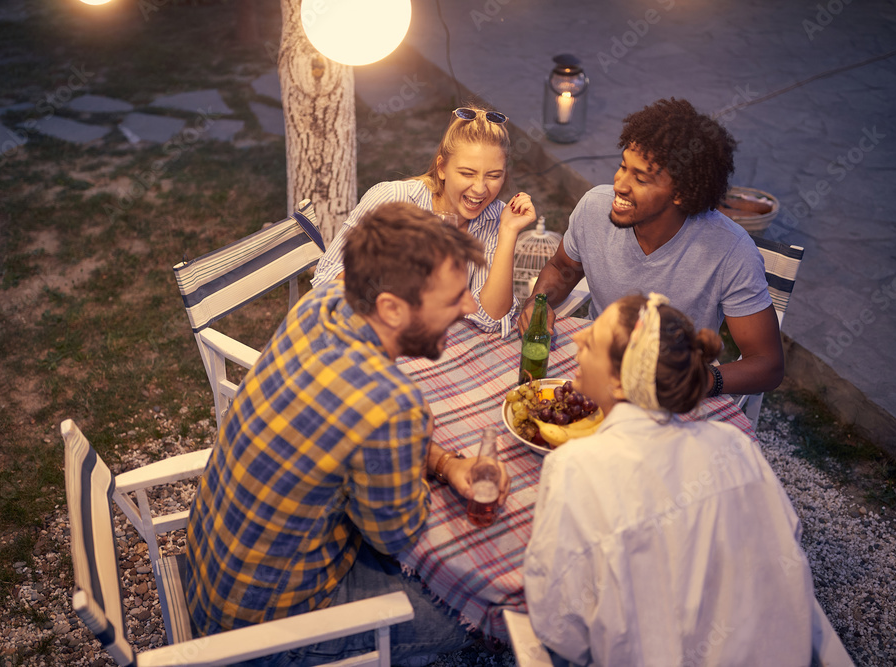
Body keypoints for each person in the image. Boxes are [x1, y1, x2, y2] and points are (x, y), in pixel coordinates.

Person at [186, 202, 510, 666]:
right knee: (471, 615)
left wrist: (442, 462)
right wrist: (420, 453)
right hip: (260, 633)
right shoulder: (393, 405)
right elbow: (393, 534)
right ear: (392, 309)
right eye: (453, 298)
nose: (469, 307)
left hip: (216, 575)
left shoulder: (322, 305)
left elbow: (354, 431)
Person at [524, 293, 818, 666]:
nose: (578, 339)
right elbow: (785, 550)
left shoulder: (575, 467)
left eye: (592, 339)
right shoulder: (735, 447)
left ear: (618, 384)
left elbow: (558, 627)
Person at [518, 98, 783, 398]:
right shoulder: (593, 208)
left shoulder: (731, 252)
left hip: (674, 389)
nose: (619, 184)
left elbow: (768, 364)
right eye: (622, 167)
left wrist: (697, 382)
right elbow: (563, 268)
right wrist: (538, 303)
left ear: (681, 194)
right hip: (599, 366)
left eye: (640, 178)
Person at [313, 106, 537, 338]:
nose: (480, 189)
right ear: (442, 168)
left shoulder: (496, 218)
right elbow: (327, 277)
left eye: (493, 175)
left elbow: (491, 318)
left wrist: (508, 231)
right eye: (467, 173)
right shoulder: (391, 199)